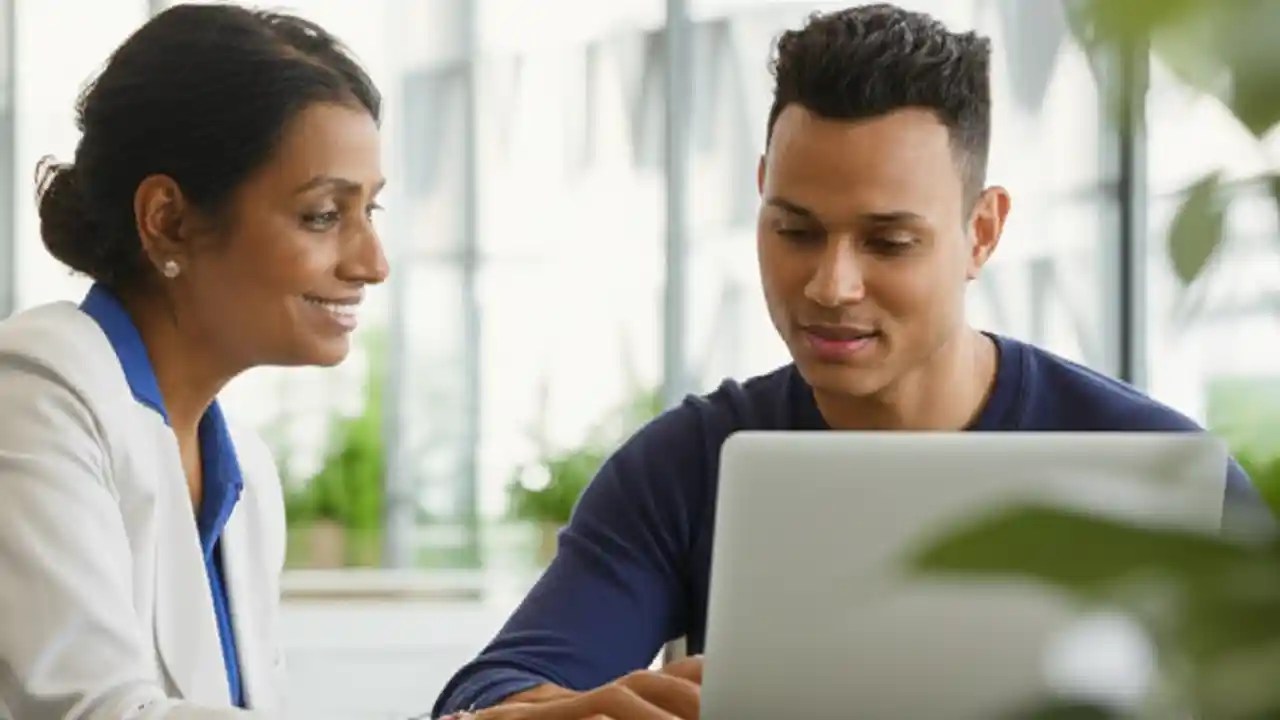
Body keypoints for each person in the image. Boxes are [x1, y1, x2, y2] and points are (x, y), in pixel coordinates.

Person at [432, 4, 1267, 719]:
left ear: (982, 232)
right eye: (794, 230)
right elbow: (496, 690)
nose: (830, 285)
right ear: (760, 192)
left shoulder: (1155, 470)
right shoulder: (685, 466)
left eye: (888, 241)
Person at [0, 4, 387, 718]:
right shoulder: (34, 395)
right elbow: (94, 712)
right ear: (168, 220)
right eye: (324, 215)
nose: (373, 263)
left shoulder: (247, 481)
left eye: (372, 213)